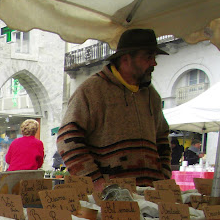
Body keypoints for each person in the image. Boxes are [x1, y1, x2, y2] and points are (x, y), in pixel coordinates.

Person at [56, 28, 171, 191]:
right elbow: (67, 140)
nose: (154, 63)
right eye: (148, 57)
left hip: (150, 196)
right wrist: (94, 181)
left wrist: (163, 177)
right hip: (110, 198)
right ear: (126, 59)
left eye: (154, 57)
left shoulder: (152, 96)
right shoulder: (92, 90)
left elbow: (162, 138)